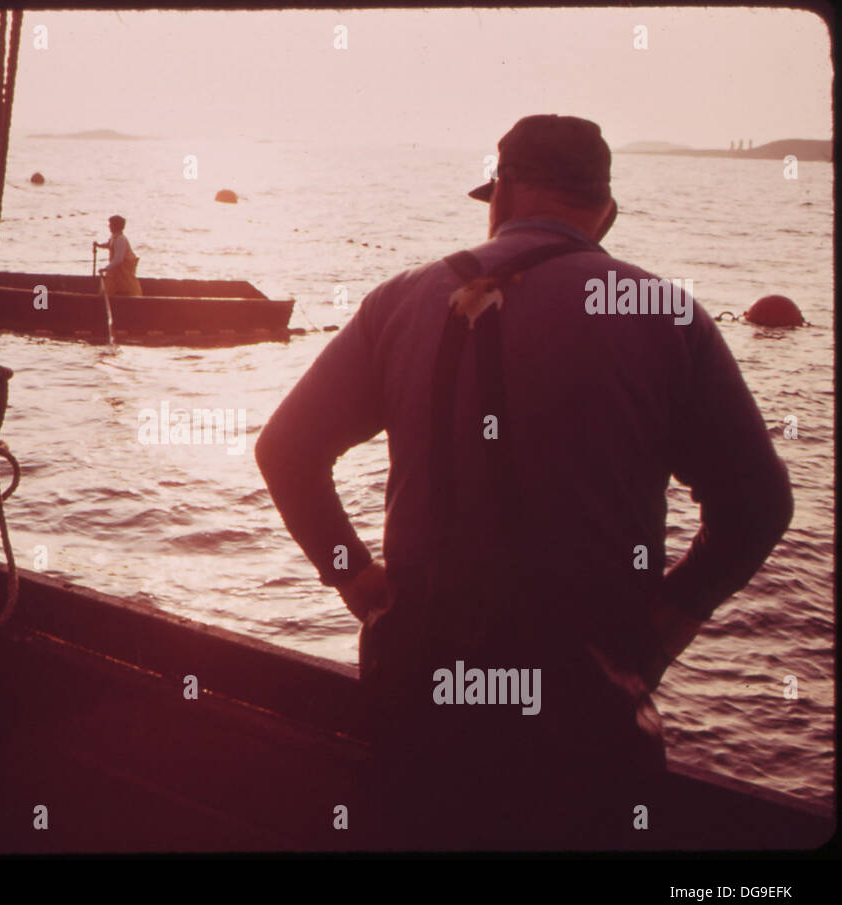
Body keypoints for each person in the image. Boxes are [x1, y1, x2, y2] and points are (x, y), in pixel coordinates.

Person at [254, 114, 793, 849]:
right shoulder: (663, 313)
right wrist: (667, 627)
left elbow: (286, 449)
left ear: (500, 195)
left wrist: (357, 582)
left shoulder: (398, 301)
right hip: (585, 701)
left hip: (420, 690)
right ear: (605, 210)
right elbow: (758, 506)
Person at [93, 215, 142, 296]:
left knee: (126, 288)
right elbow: (110, 244)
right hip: (116, 271)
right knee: (110, 286)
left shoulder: (121, 239)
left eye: (110, 224)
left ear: (115, 226)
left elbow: (119, 259)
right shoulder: (114, 237)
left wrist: (106, 268)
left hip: (123, 271)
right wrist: (99, 245)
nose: (109, 226)